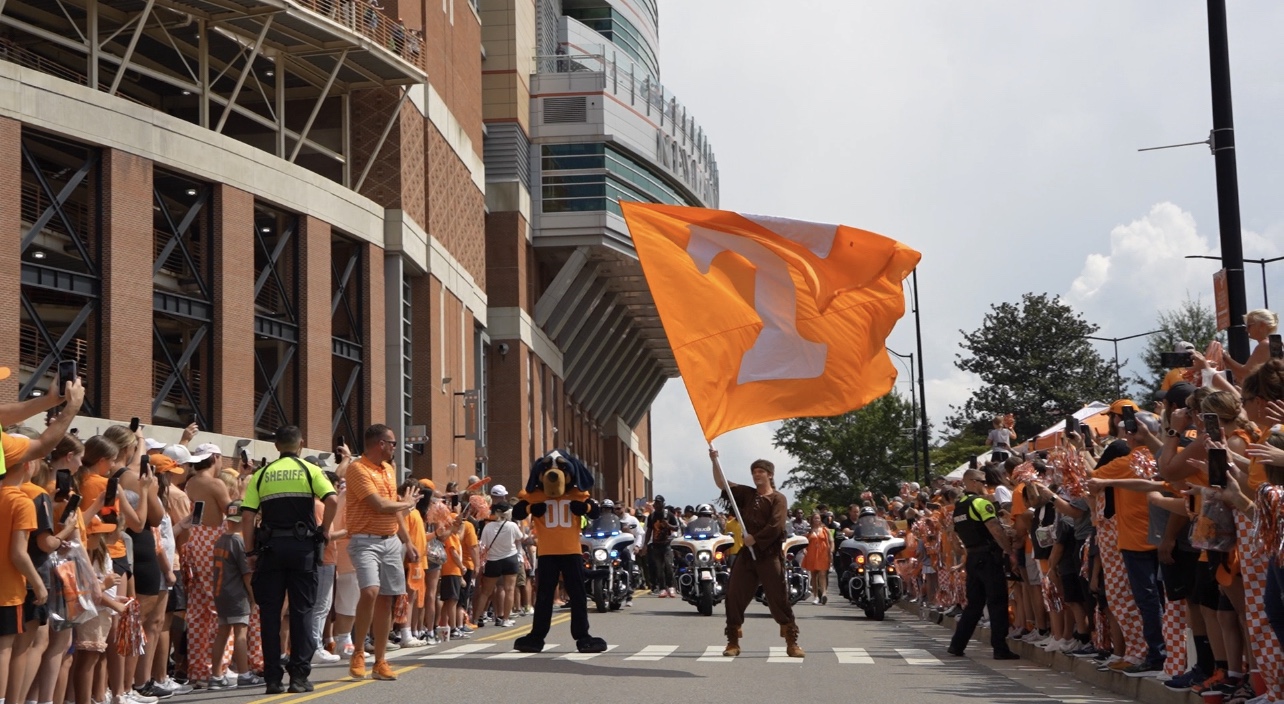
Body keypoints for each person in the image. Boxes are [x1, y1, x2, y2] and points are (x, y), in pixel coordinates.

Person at [240, 426, 338, 695]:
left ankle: (272, 679)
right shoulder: (310, 470)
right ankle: (299, 676)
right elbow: (332, 500)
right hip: (303, 548)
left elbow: (247, 517)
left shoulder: (261, 475)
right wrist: (325, 530)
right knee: (302, 611)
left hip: (270, 549)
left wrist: (250, 553)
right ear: (301, 445)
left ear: (276, 447)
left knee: (270, 614)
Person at [342, 425, 418, 683]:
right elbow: (380, 504)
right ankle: (359, 650)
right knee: (370, 591)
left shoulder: (388, 469)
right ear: (380, 444)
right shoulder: (357, 469)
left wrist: (407, 541)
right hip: (365, 541)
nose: (395, 447)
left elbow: (393, 507)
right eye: (392, 443)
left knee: (388, 598)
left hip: (390, 542)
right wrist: (407, 504)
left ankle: (380, 660)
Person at [710, 450, 803, 658]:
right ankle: (732, 640)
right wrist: (714, 460)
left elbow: (776, 525)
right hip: (746, 556)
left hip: (769, 555)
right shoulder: (747, 494)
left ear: (770, 475)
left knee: (778, 597)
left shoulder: (778, 498)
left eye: (761, 471)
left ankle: (791, 641)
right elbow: (722, 483)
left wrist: (756, 539)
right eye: (754, 472)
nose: (757, 475)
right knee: (734, 595)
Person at [946, 469, 1021, 660]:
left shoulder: (959, 507)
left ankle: (957, 644)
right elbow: (995, 529)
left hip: (972, 558)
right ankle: (1000, 648)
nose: (985, 485)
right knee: (997, 602)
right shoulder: (980, 503)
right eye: (982, 481)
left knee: (974, 605)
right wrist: (1010, 552)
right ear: (971, 482)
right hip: (988, 558)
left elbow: (956, 538)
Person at [208, 502, 254, 690]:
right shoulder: (239, 541)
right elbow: (246, 573)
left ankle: (216, 676)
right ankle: (244, 674)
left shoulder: (221, 539)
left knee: (223, 632)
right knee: (240, 633)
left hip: (221, 593)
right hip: (236, 594)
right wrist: (254, 596)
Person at [644, 496, 678, 597]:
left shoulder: (669, 515)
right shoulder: (652, 516)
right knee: (659, 568)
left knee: (669, 565)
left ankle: (671, 586)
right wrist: (645, 544)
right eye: (656, 503)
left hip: (666, 544)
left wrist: (668, 525)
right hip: (656, 545)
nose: (657, 505)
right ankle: (662, 588)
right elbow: (649, 531)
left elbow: (676, 527)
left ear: (663, 504)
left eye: (659, 503)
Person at [802, 512, 832, 605]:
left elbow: (831, 541)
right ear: (812, 520)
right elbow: (804, 541)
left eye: (818, 518)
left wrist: (831, 550)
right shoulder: (809, 531)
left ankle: (823, 594)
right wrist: (804, 549)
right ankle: (815, 596)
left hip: (823, 553)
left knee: (822, 574)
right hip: (812, 553)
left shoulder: (825, 530)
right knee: (814, 575)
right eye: (815, 518)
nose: (817, 520)